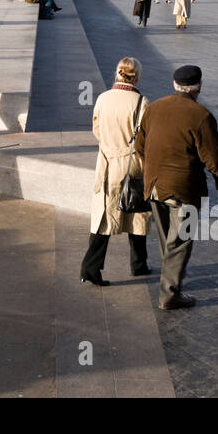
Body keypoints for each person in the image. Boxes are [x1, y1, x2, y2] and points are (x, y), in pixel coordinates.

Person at [134, 65, 218, 310]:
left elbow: (140, 146)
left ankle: (171, 280)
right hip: (183, 187)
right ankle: (169, 294)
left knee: (168, 237)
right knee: (181, 239)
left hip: (154, 184)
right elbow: (213, 155)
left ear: (174, 84)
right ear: (199, 87)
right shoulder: (200, 115)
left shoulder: (153, 108)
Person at [81, 57, 153, 285]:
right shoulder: (141, 102)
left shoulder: (102, 98)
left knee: (104, 215)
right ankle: (138, 265)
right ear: (137, 76)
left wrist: (110, 146)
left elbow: (97, 130)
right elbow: (144, 138)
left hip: (106, 163)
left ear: (118, 73)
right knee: (138, 213)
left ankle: (91, 268)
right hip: (132, 163)